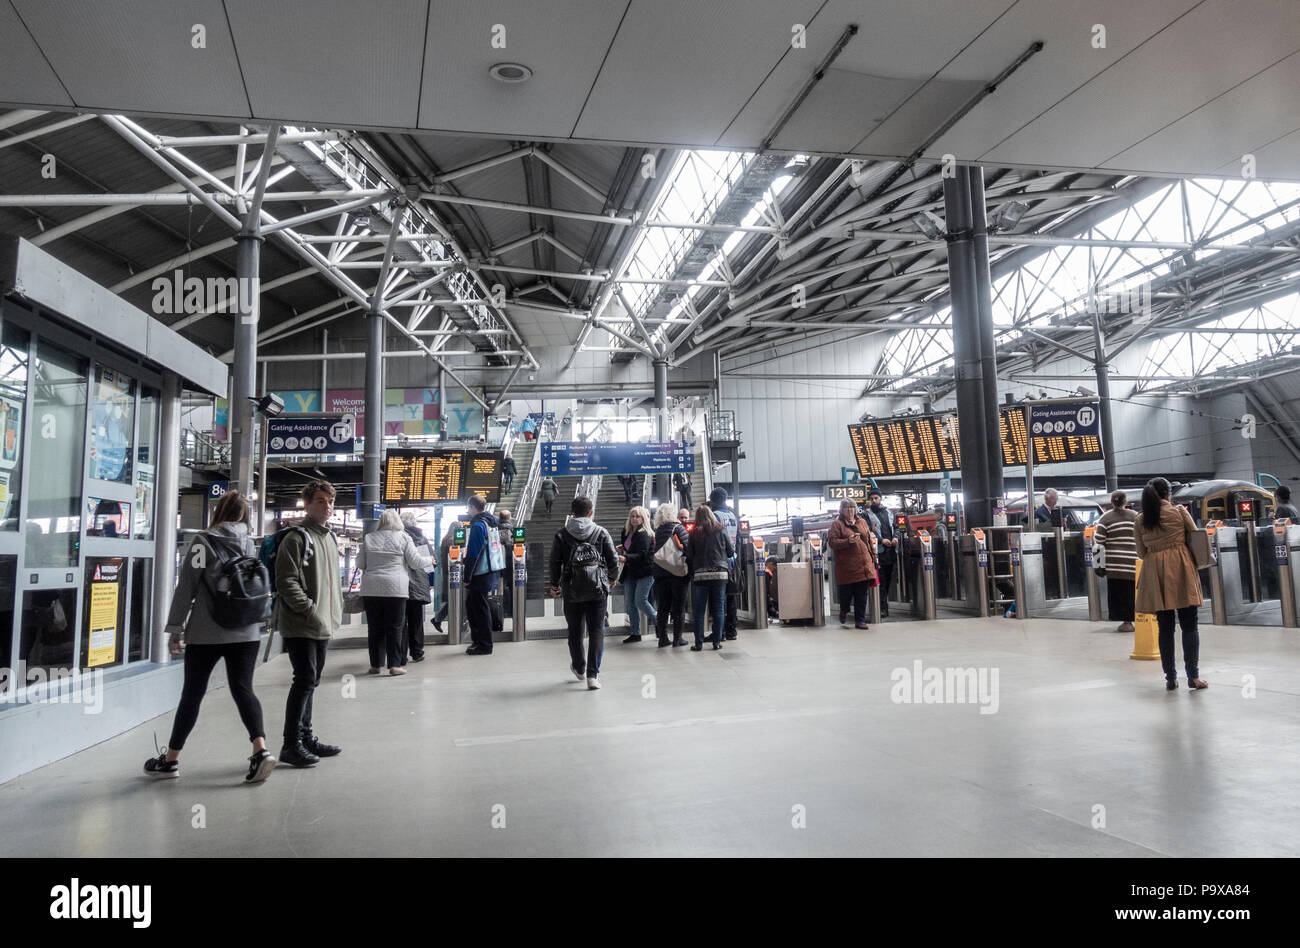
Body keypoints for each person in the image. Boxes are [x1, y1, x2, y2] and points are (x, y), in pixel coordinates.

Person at [144, 490, 275, 783]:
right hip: (247, 630)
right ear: (245, 515)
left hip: (207, 631)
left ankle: (170, 761)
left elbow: (186, 587)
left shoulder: (203, 542)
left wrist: (175, 628)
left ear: (218, 511)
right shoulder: (249, 543)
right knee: (243, 689)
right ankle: (261, 750)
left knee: (192, 693)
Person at [276, 480, 344, 767]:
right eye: (320, 500)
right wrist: (308, 610)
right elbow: (286, 580)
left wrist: (330, 615)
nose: (326, 506)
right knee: (303, 680)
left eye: (329, 501)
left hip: (321, 624)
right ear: (307, 503)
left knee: (311, 681)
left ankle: (305, 738)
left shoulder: (328, 538)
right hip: (303, 623)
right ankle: (291, 744)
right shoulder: (296, 538)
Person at [1135, 477, 1207, 691]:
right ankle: (1193, 677)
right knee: (1189, 624)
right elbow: (1195, 537)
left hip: (1155, 571)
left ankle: (1170, 678)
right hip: (1181, 568)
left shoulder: (1140, 519)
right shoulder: (1179, 512)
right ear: (1168, 494)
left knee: (1165, 628)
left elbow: (1140, 552)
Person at [549, 495, 619, 690]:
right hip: (597, 589)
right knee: (596, 630)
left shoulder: (562, 534)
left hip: (571, 589)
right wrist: (611, 579)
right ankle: (592, 676)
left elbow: (554, 562)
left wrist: (555, 584)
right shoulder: (601, 532)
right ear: (591, 513)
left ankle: (579, 668)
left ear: (572, 512)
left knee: (575, 630)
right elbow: (613, 559)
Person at [358, 508, 432, 676]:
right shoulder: (404, 537)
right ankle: (394, 665)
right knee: (395, 627)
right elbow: (415, 562)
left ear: (381, 522)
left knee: (374, 628)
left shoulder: (368, 538)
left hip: (371, 589)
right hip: (395, 588)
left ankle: (375, 665)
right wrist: (430, 560)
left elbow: (361, 563)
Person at [686, 504, 734, 651]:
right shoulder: (721, 529)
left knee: (699, 611)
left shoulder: (694, 533)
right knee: (719, 609)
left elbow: (689, 555)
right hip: (720, 574)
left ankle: (698, 644)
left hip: (701, 575)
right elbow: (731, 552)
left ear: (698, 518)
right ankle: (716, 643)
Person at [829, 498, 879, 629]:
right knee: (846, 594)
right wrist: (847, 541)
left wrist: (873, 558)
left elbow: (868, 540)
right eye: (846, 508)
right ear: (842, 510)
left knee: (861, 595)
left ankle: (860, 620)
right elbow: (832, 542)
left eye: (852, 507)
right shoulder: (837, 524)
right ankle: (844, 610)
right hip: (846, 566)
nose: (850, 510)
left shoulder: (862, 522)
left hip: (864, 564)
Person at [1093, 490, 1139, 634]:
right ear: (1125, 502)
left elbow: (1099, 541)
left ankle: (1125, 622)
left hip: (1114, 564)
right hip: (1133, 562)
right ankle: (1133, 620)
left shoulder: (1105, 518)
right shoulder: (1135, 516)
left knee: (1118, 593)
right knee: (1132, 592)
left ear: (1112, 502)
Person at [461, 495, 500, 655]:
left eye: (468, 508)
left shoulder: (478, 525)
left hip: (480, 573)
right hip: (490, 570)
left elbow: (474, 553)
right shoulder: (491, 523)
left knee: (479, 609)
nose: (468, 511)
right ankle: (479, 641)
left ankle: (484, 644)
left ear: (472, 507)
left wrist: (467, 577)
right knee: (474, 606)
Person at [652, 503, 691, 647]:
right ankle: (677, 638)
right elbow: (687, 547)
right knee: (679, 607)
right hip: (677, 573)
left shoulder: (658, 531)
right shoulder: (678, 528)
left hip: (660, 573)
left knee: (663, 607)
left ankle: (663, 638)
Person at [617, 505, 656, 644]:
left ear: (643, 518)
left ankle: (659, 623)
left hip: (645, 571)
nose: (634, 519)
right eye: (632, 516)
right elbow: (632, 547)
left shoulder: (645, 533)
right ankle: (635, 632)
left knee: (640, 601)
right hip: (631, 571)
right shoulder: (627, 531)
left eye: (637, 516)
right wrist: (624, 548)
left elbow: (643, 554)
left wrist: (626, 557)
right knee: (631, 604)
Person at [706, 487, 740, 640]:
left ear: (712, 500)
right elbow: (737, 539)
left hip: (719, 561)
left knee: (718, 599)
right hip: (732, 560)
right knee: (730, 597)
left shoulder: (714, 516)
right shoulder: (732, 515)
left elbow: (711, 540)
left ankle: (719, 633)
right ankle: (731, 630)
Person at [867, 489, 898, 617]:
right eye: (872, 498)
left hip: (890, 553)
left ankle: (884, 606)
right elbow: (868, 531)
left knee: (888, 580)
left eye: (876, 498)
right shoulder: (866, 515)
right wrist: (881, 540)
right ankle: (882, 608)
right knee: (881, 581)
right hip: (877, 554)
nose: (874, 500)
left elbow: (896, 527)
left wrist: (896, 537)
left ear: (880, 499)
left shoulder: (889, 513)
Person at [431, 520, 457, 634]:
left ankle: (438, 619)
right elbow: (455, 557)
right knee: (454, 599)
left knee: (452, 599)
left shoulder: (445, 539)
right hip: (453, 572)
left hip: (447, 572)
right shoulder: (452, 541)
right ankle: (438, 619)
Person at [497, 508, 515, 620]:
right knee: (514, 587)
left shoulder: (493, 530)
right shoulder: (514, 530)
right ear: (509, 518)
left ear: (499, 518)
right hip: (512, 563)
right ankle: (513, 610)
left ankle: (500, 611)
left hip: (497, 563)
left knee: (499, 588)